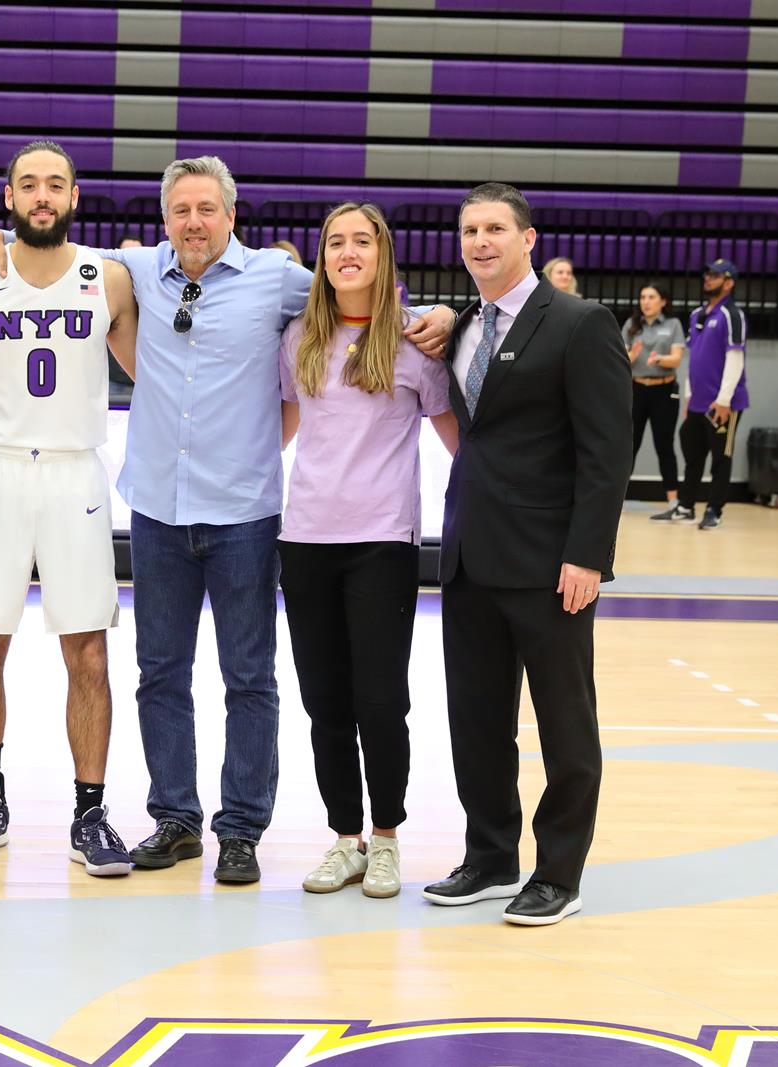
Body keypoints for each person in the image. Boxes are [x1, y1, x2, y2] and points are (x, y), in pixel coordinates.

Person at [0, 155, 454, 884]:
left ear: (231, 213)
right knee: (160, 673)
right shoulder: (132, 271)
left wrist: (439, 314)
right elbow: (41, 241)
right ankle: (176, 818)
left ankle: (241, 827)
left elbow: (357, 285)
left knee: (249, 676)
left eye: (206, 209)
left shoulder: (276, 280)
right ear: (165, 220)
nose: (193, 221)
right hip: (157, 506)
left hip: (245, 510)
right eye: (180, 210)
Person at [421, 182, 630, 926]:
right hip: (470, 556)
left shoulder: (580, 322)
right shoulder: (464, 323)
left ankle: (559, 872)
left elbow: (608, 453)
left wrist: (587, 556)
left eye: (496, 229)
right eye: (470, 229)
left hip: (550, 563)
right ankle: (489, 856)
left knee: (566, 724)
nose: (480, 241)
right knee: (476, 720)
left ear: (528, 238)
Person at [0, 141, 140, 878]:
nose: (42, 195)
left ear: (75, 196)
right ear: (10, 197)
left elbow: (154, 369)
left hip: (74, 474)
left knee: (88, 651)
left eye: (55, 183)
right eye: (29, 184)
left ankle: (89, 812)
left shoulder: (109, 278)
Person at [278, 202, 458, 899]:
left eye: (361, 241)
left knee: (379, 699)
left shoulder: (416, 347)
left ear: (383, 256)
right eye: (335, 242)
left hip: (382, 542)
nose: (347, 251)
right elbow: (280, 430)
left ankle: (386, 839)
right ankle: (345, 838)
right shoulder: (297, 336)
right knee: (325, 700)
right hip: (306, 540)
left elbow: (457, 444)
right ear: (322, 258)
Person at [652, 259, 749, 530]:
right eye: (707, 274)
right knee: (692, 454)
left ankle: (714, 510)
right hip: (698, 402)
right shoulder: (698, 314)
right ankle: (685, 506)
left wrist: (724, 400)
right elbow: (694, 359)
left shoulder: (733, 315)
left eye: (715, 276)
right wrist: (689, 397)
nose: (708, 278)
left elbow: (735, 357)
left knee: (721, 457)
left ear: (729, 282)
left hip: (722, 403)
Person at [622, 282, 685, 507]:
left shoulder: (673, 324)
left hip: (664, 389)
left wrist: (659, 359)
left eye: (651, 297)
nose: (646, 302)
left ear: (663, 301)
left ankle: (673, 501)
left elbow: (677, 359)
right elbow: (621, 362)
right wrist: (633, 354)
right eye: (643, 297)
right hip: (636, 389)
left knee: (664, 445)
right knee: (629, 444)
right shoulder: (631, 324)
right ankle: (616, 498)